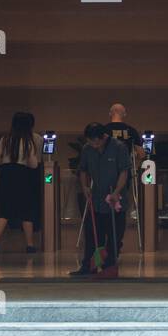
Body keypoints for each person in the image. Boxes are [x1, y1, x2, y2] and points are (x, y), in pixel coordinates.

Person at [71, 122, 130, 277]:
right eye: (90, 141)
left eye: (95, 141)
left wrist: (117, 192)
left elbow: (124, 171)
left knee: (114, 236)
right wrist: (84, 187)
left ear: (103, 137)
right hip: (96, 200)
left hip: (115, 200)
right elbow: (83, 170)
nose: (93, 144)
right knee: (92, 235)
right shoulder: (87, 149)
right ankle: (88, 266)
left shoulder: (119, 147)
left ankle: (109, 266)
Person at [0, 111, 43, 254]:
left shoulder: (5, 139)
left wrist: (6, 163)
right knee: (26, 211)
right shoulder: (28, 141)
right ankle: (30, 245)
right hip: (23, 176)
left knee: (4, 211)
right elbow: (33, 164)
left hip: (6, 175)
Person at [103, 103, 144, 254]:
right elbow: (141, 154)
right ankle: (116, 242)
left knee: (104, 208)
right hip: (123, 174)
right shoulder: (130, 131)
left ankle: (105, 240)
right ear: (124, 114)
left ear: (110, 113)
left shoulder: (104, 130)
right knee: (120, 208)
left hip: (104, 175)